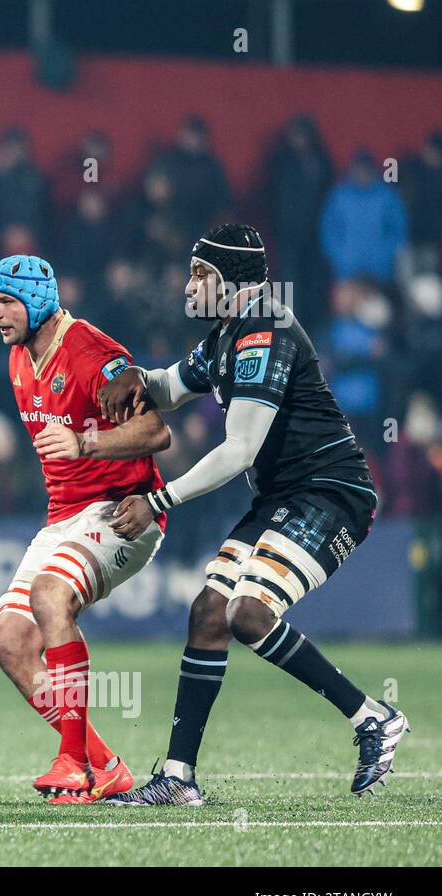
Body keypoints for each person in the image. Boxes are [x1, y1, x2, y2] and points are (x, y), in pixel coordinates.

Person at [99, 224, 408, 804]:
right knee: (210, 612)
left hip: (330, 492)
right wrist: (130, 377)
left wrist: (159, 501)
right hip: (284, 496)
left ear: (233, 279)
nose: (189, 285)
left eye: (201, 274)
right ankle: (179, 778)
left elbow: (239, 449)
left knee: (246, 612)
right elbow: (169, 386)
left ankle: (372, 717)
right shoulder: (229, 332)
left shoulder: (264, 329)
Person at [0, 254, 172, 805]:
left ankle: (71, 763)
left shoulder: (94, 353)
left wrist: (87, 443)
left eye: (6, 301)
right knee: (10, 643)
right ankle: (104, 765)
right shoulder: (19, 358)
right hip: (64, 516)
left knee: (49, 598)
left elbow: (156, 431)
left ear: (39, 301)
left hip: (122, 511)